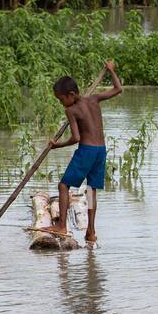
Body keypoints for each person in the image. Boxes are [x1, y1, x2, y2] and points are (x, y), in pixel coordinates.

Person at [47, 60, 122, 243]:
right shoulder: (94, 99)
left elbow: (76, 138)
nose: (62, 103)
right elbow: (118, 89)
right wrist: (111, 71)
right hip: (101, 151)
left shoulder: (72, 110)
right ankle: (91, 232)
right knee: (91, 190)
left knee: (63, 186)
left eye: (62, 99)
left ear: (71, 95)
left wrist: (57, 145)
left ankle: (62, 225)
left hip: (87, 151)